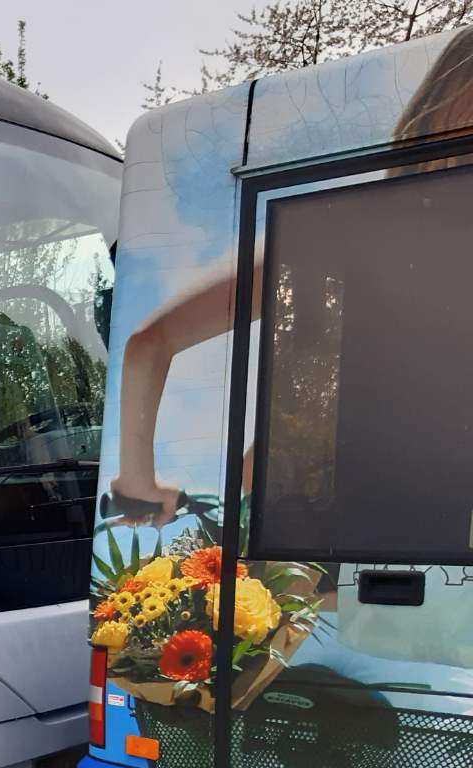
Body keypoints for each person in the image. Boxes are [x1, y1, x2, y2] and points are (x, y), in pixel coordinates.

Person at [109, 25, 473, 528]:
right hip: (378, 563)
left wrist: (138, 487)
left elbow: (149, 343)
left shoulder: (326, 234)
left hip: (286, 562)